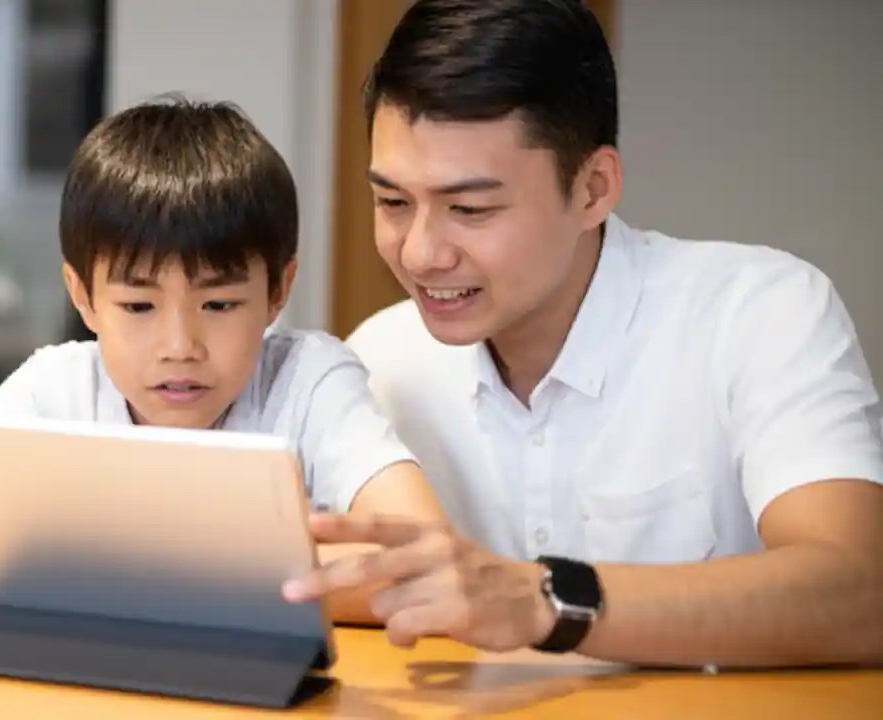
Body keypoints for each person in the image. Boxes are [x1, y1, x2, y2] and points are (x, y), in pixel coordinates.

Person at [283, 0, 883, 667]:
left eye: (470, 209)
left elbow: (861, 593)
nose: (421, 254)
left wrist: (547, 599)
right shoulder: (382, 358)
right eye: (393, 202)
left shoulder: (758, 313)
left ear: (594, 188)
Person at [0, 97, 446, 622]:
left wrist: (132, 584)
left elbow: (425, 562)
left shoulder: (308, 383)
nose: (179, 346)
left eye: (219, 303)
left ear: (277, 291)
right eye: (137, 306)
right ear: (83, 296)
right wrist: (18, 599)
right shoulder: (56, 390)